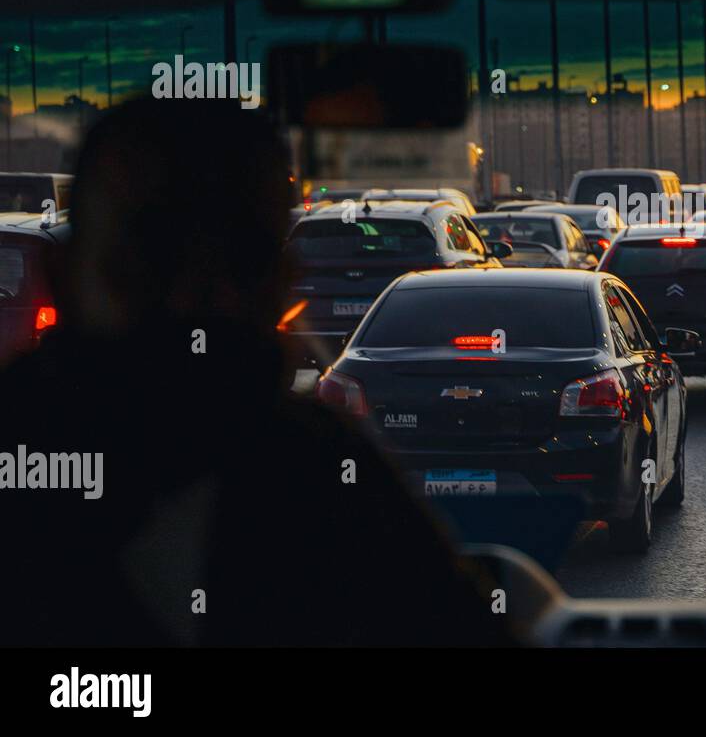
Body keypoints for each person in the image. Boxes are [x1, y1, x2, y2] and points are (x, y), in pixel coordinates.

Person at [0, 96, 517, 646]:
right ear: (286, 285)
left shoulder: (330, 473)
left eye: (235, 260)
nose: (190, 298)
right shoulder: (328, 478)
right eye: (152, 258)